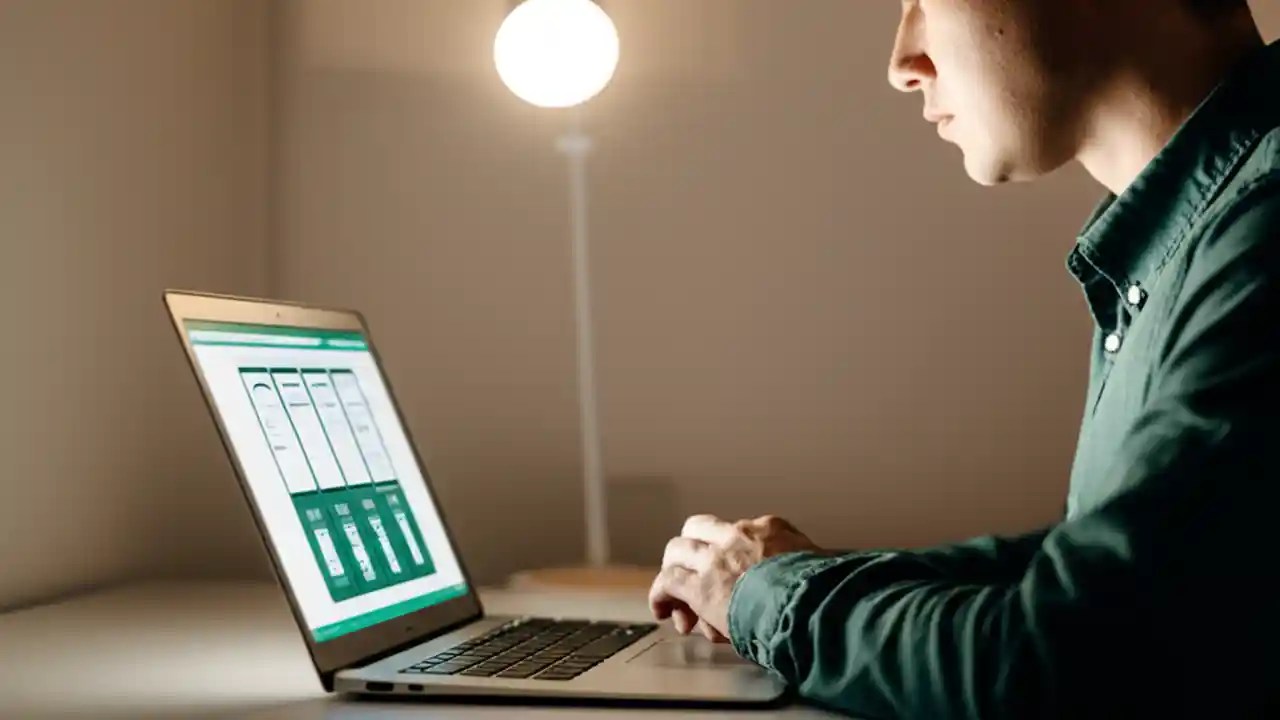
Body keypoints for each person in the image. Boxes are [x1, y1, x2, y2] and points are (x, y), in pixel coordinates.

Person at [648, 1, 1280, 717]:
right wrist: (785, 579)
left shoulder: (1263, 230)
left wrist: (770, 595)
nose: (901, 65)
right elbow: (1098, 569)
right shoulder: (1201, 233)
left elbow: (1062, 655)